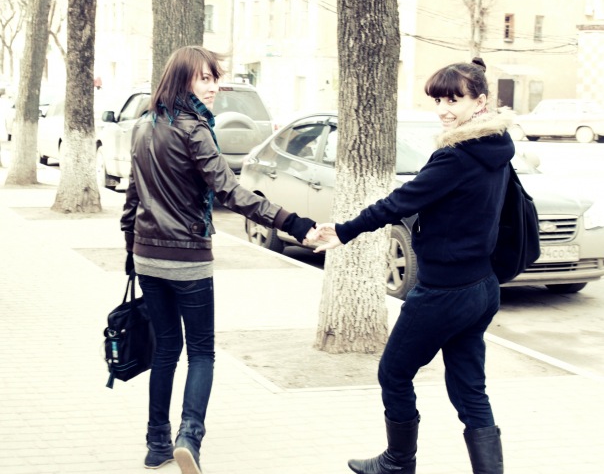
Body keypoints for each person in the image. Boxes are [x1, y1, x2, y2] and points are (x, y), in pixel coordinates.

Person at [120, 46, 315, 474]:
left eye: (215, 78)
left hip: (148, 257)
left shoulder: (143, 125)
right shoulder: (195, 130)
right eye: (204, 78)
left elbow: (133, 197)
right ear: (182, 80)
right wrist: (292, 222)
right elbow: (230, 191)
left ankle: (156, 443)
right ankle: (189, 437)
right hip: (188, 259)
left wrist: (131, 249)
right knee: (202, 352)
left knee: (166, 349)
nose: (213, 87)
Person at [311, 58, 510, 474]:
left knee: (394, 373)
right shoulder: (497, 148)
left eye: (454, 100)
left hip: (444, 291)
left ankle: (398, 462)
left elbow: (399, 202)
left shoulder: (456, 157)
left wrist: (344, 231)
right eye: (438, 100)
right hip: (481, 287)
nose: (444, 110)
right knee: (470, 388)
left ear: (480, 102)